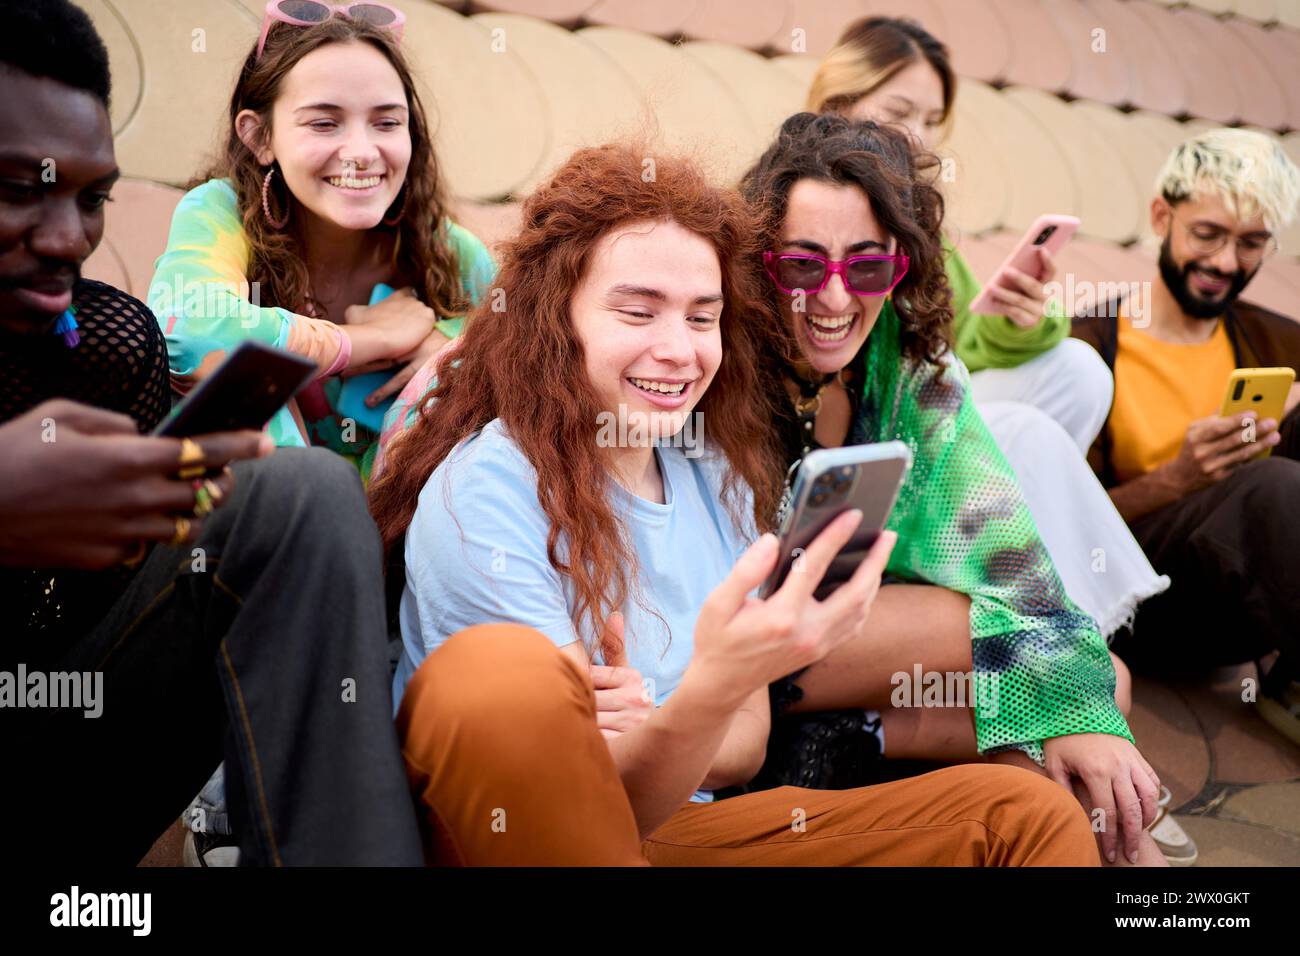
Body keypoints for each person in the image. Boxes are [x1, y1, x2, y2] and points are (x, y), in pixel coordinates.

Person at [367, 141, 1101, 866]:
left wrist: (673, 713)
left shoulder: (710, 465)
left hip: (690, 829)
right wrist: (705, 694)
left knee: (1026, 816)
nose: (678, 350)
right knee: (508, 684)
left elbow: (748, 746)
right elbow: (578, 797)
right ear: (555, 318)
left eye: (700, 317)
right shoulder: (490, 489)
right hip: (548, 839)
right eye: (638, 312)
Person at [0, 0, 422, 865]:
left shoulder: (103, 345)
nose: (68, 237)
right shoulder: (219, 223)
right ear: (259, 137)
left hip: (49, 753)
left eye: (94, 198)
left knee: (300, 493)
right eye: (18, 190)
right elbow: (198, 320)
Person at [738, 113, 1166, 866]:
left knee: (1101, 696)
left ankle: (850, 746)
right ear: (760, 259)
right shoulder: (722, 357)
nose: (835, 299)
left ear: (902, 265)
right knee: (1070, 681)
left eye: (866, 266)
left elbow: (1006, 550)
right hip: (736, 653)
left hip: (846, 667)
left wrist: (1087, 715)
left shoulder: (906, 373)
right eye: (804, 265)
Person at [808, 16, 1169, 639]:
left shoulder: (918, 219)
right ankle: (1062, 627)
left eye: (931, 119)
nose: (919, 136)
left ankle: (1018, 567)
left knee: (1080, 371)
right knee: (1025, 435)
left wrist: (1016, 318)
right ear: (840, 103)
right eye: (901, 111)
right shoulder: (801, 197)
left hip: (932, 409)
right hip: (866, 436)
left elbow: (958, 344)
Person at [149, 5, 495, 480]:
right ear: (259, 137)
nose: (360, 153)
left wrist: (449, 352)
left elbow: (532, 366)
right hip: (254, 527)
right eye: (324, 123)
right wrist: (363, 341)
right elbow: (189, 332)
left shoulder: (450, 253)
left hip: (403, 532)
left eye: (387, 123)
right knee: (242, 382)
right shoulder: (219, 211)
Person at [1072, 128, 1300, 746]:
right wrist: (1179, 478)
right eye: (1208, 234)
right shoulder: (1091, 345)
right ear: (1160, 217)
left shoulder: (1272, 340)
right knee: (1272, 487)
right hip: (1142, 611)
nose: (1227, 262)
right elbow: (1060, 527)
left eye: (1251, 243)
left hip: (1246, 601)